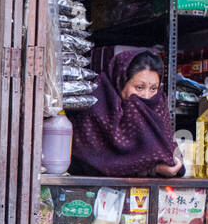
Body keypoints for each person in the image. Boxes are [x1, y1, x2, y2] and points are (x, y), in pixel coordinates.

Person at [68, 49, 184, 178]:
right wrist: (153, 169)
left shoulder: (158, 108)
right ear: (120, 81)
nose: (146, 96)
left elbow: (171, 155)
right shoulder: (94, 109)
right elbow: (92, 164)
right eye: (139, 87)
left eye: (153, 89)